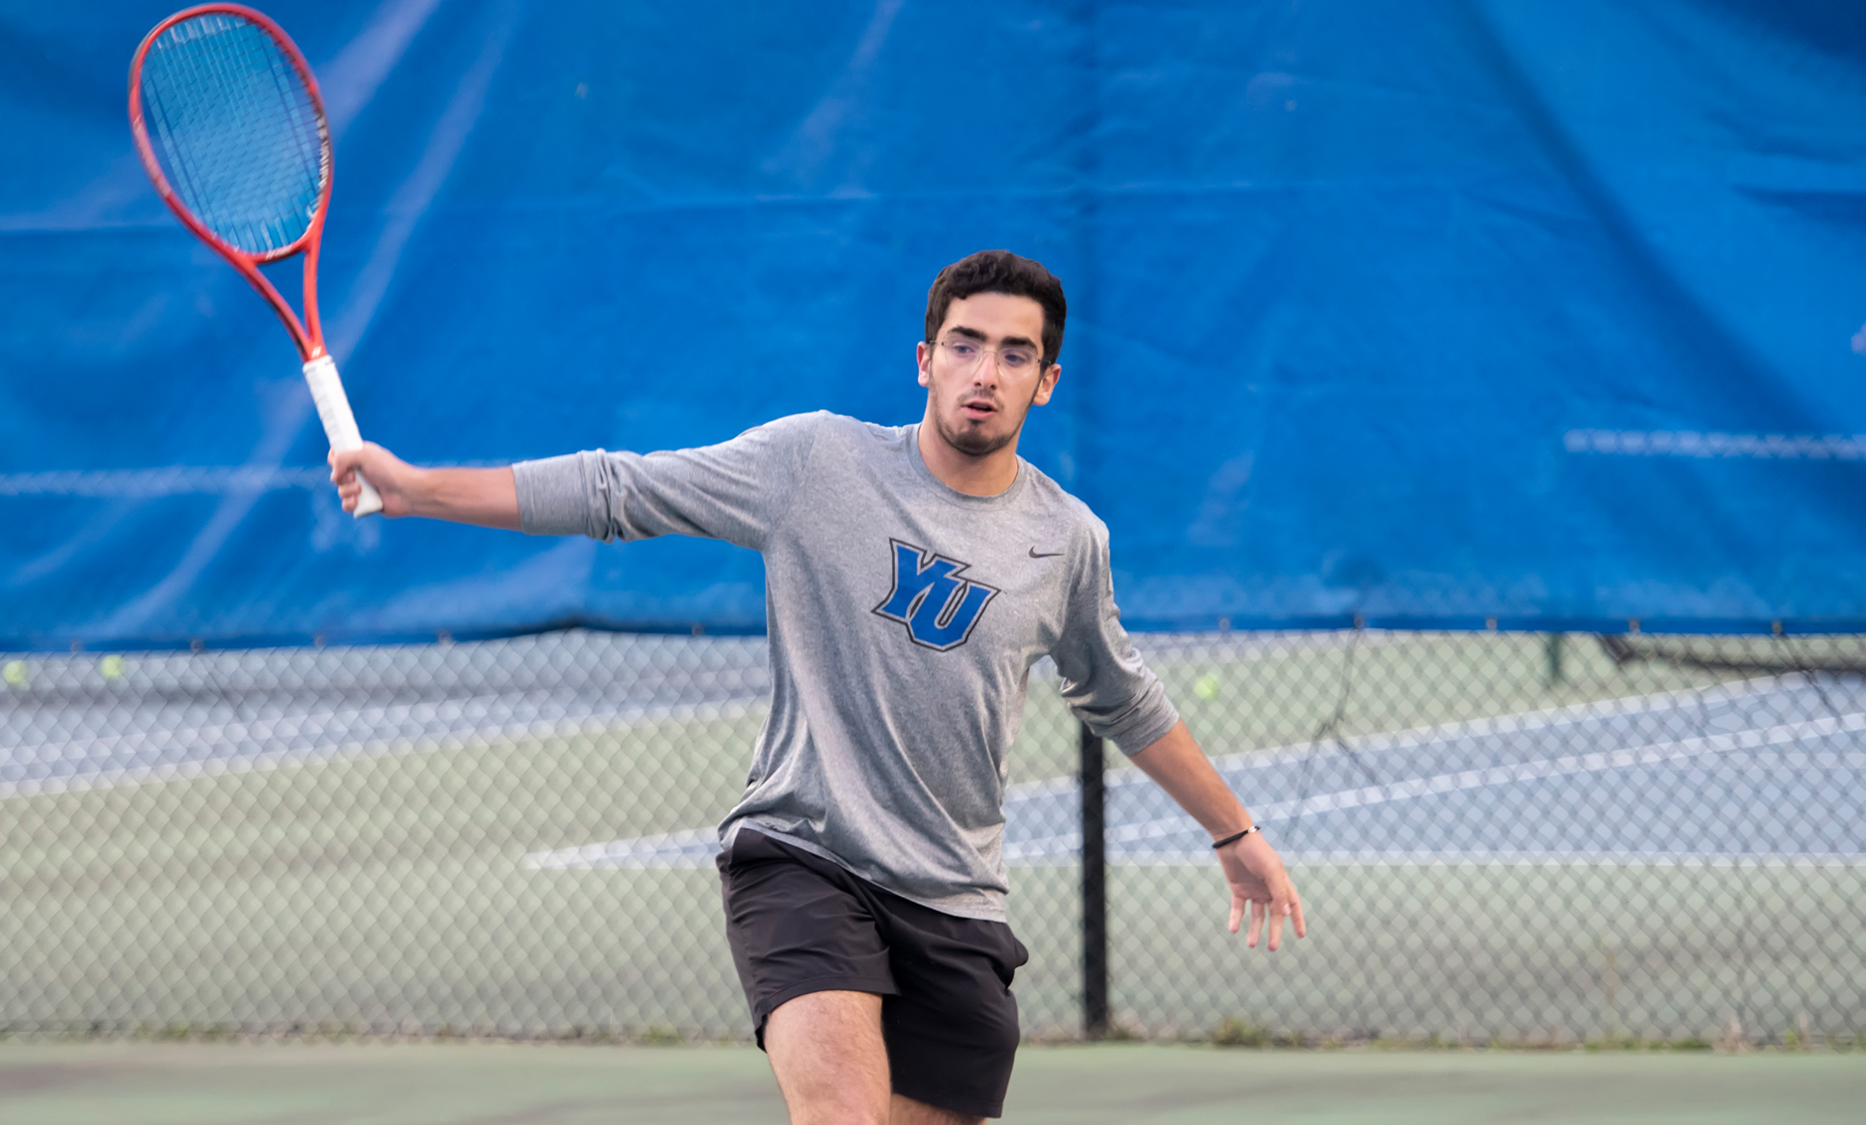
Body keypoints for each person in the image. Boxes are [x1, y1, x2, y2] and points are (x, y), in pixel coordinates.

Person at [329, 250, 1305, 1124]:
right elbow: (619, 489)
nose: (983, 371)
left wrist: (1233, 833)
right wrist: (417, 488)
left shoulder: (1066, 541)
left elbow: (1121, 696)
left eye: (1013, 355)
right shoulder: (815, 462)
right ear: (922, 360)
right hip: (803, 861)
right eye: (963, 345)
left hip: (956, 903)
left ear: (1044, 383)